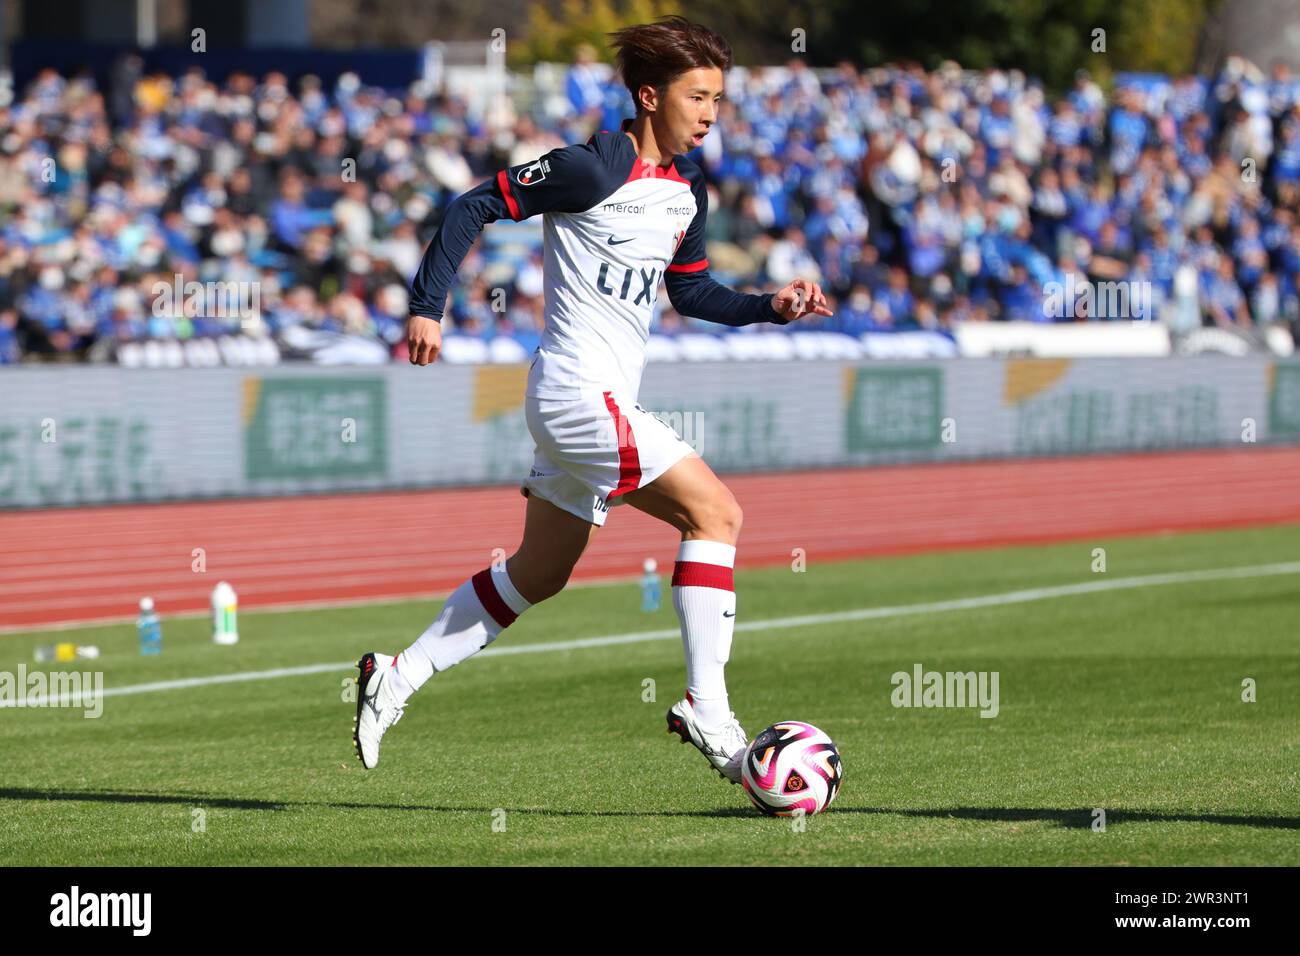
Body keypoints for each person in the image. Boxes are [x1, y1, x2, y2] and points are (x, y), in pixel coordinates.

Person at [353, 15, 832, 785]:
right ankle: (708, 707)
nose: (711, 113)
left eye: (717, 98)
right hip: (578, 395)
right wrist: (427, 306)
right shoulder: (592, 168)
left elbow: (690, 291)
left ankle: (395, 675)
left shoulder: (686, 189)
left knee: (539, 573)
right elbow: (473, 204)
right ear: (649, 96)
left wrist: (769, 306)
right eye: (697, 96)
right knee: (718, 515)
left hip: (585, 405)